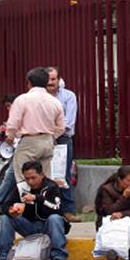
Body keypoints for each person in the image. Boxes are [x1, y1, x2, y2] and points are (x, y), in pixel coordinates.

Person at [0, 160, 69, 260]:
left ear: (42, 175)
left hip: (47, 226)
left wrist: (37, 198)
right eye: (27, 178)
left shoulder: (51, 186)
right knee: (5, 218)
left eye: (33, 178)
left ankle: (59, 257)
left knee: (55, 218)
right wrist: (11, 210)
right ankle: (4, 257)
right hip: (28, 226)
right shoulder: (21, 187)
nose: (30, 181)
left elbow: (56, 208)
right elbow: (5, 205)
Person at [5, 67, 64, 183]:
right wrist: (52, 136)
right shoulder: (55, 102)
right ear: (46, 82)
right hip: (48, 141)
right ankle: (45, 194)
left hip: (29, 142)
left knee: (24, 177)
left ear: (29, 83)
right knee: (45, 177)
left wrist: (10, 137)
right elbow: (61, 127)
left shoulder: (22, 99)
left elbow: (13, 123)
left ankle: (26, 195)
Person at [47, 66, 80, 222]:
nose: (50, 82)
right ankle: (47, 208)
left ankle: (68, 210)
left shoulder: (68, 96)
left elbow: (69, 122)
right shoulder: (40, 97)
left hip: (62, 138)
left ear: (59, 80)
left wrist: (53, 135)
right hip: (43, 138)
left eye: (53, 79)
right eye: (48, 79)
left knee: (63, 174)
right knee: (45, 174)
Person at [93, 165, 130, 260]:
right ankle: (112, 253)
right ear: (120, 180)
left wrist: (122, 214)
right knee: (110, 223)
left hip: (127, 218)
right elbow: (108, 210)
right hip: (110, 218)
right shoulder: (107, 189)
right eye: (129, 181)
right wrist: (124, 197)